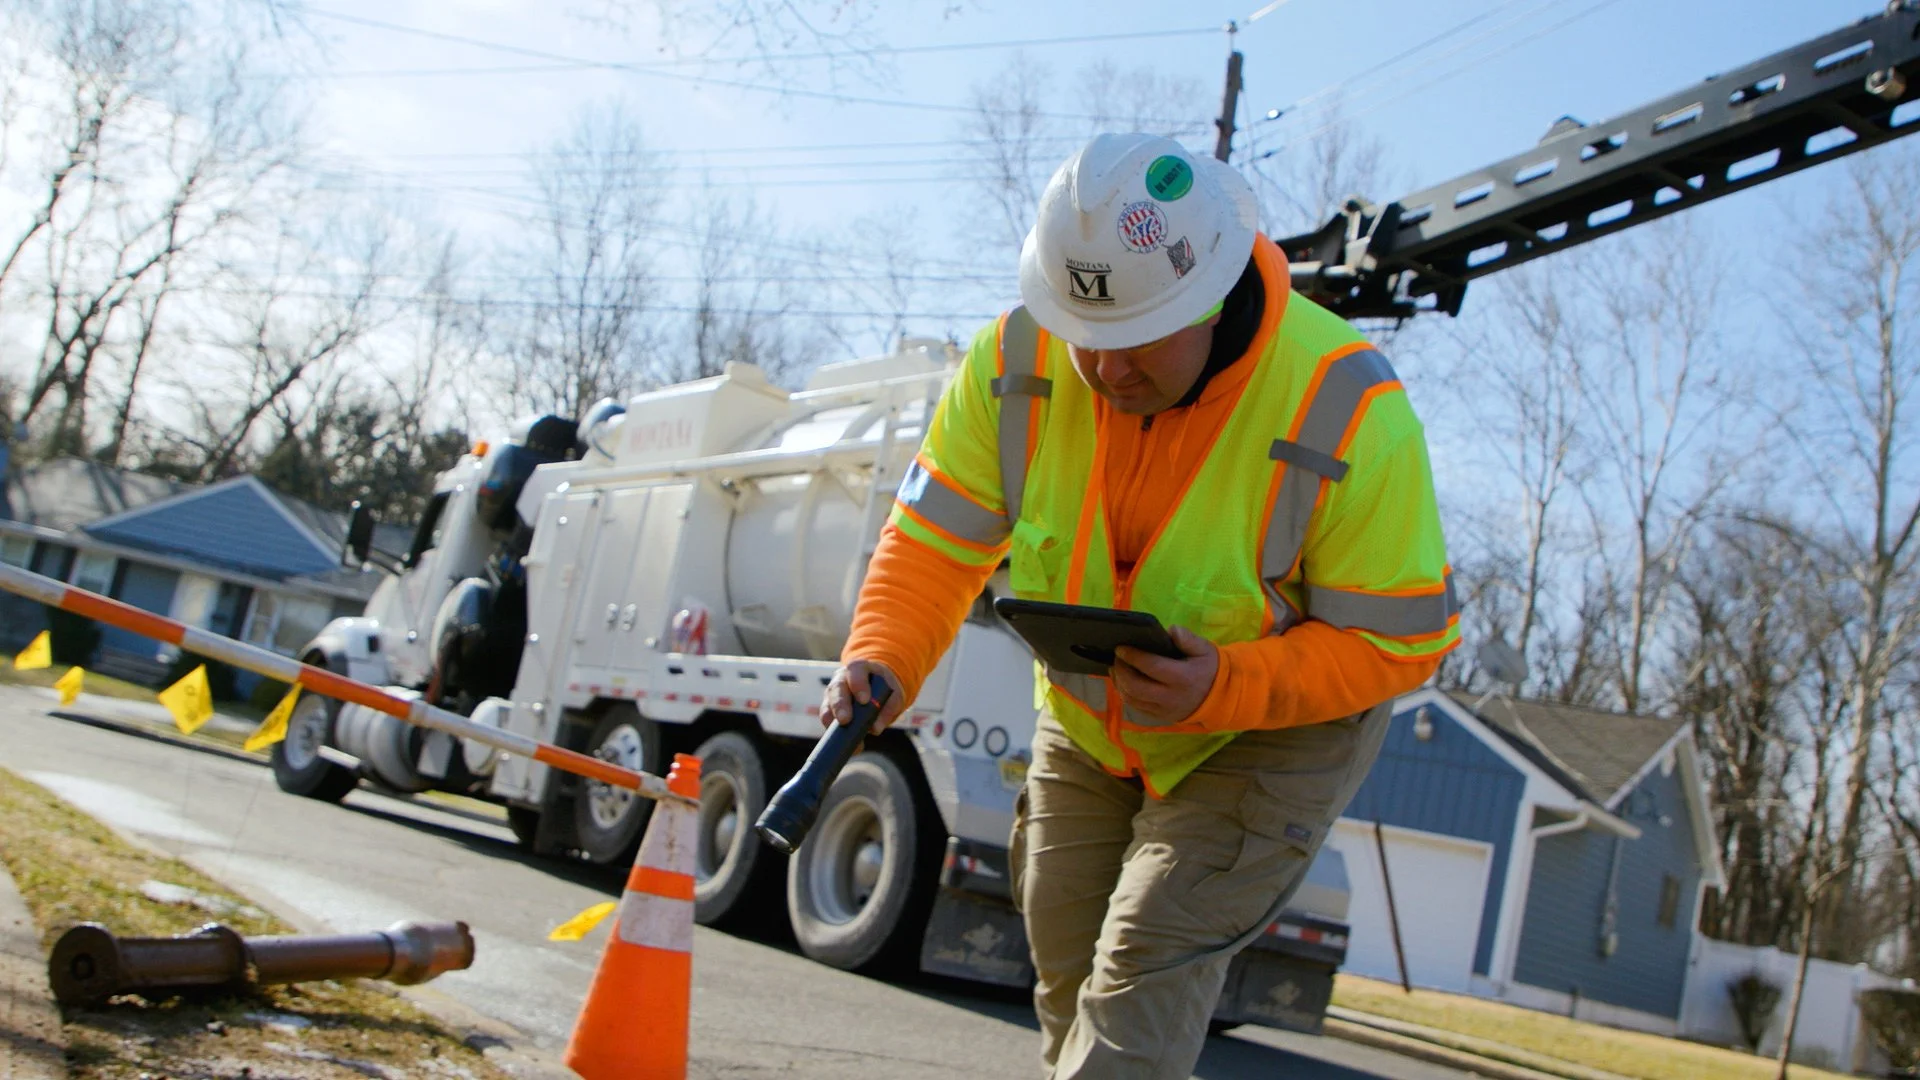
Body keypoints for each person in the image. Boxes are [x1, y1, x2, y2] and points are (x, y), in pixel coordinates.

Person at [820, 133, 1459, 1079]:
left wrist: (1229, 685)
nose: (1106, 371)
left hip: (1268, 733)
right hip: (1091, 719)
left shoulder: (1348, 402)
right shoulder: (1014, 363)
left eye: (1134, 339)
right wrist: (882, 652)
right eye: (1087, 337)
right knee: (1070, 981)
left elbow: (1403, 642)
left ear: (1213, 296)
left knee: (1138, 977)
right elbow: (934, 540)